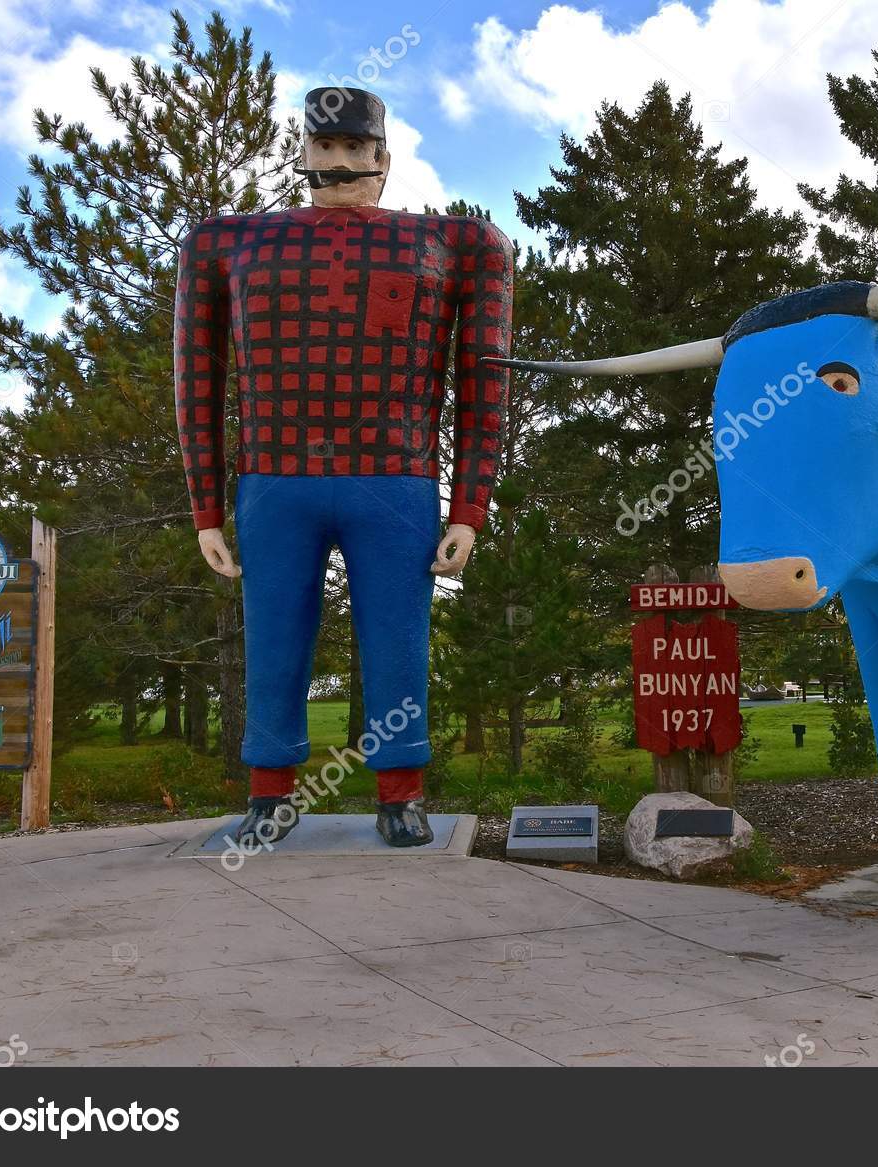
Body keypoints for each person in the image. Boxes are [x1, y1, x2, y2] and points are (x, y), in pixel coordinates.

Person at [175, 86, 513, 848]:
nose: (339, 162)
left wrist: (469, 506)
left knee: (398, 638)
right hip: (275, 476)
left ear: (383, 159)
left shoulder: (456, 244)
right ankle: (269, 791)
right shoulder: (225, 244)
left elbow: (483, 379)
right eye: (324, 148)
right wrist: (204, 506)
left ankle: (401, 790)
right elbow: (196, 379)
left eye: (355, 150)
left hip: (394, 478)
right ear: (302, 155)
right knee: (273, 637)